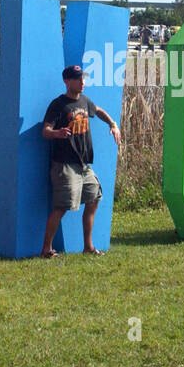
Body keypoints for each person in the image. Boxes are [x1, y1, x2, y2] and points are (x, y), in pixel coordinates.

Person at [40, 64, 121, 258]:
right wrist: (57, 133)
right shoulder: (58, 104)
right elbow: (45, 131)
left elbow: (98, 110)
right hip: (65, 165)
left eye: (83, 78)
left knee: (93, 199)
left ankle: (88, 247)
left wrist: (113, 124)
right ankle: (46, 250)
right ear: (67, 81)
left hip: (84, 165)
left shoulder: (84, 101)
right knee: (61, 207)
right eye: (77, 78)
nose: (82, 82)